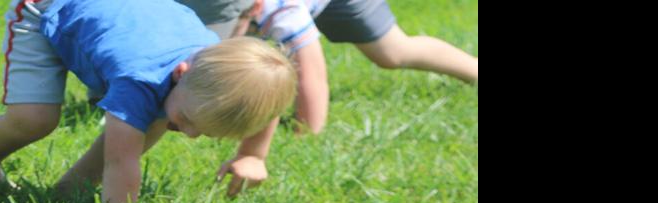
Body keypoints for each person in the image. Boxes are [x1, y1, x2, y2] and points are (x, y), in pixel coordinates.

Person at [0, 0, 298, 203]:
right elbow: (120, 160)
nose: (191, 134)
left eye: (206, 133)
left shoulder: (218, 70)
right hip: (48, 10)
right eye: (189, 120)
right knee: (34, 119)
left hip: (115, 19)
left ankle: (67, 191)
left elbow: (266, 99)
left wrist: (252, 154)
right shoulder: (140, 78)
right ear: (181, 73)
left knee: (157, 114)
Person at [176, 0, 478, 134]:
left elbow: (312, 75)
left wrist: (306, 133)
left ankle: (473, 70)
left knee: (392, 52)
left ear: (254, 8)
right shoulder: (221, 10)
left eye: (232, 25)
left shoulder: (284, 14)